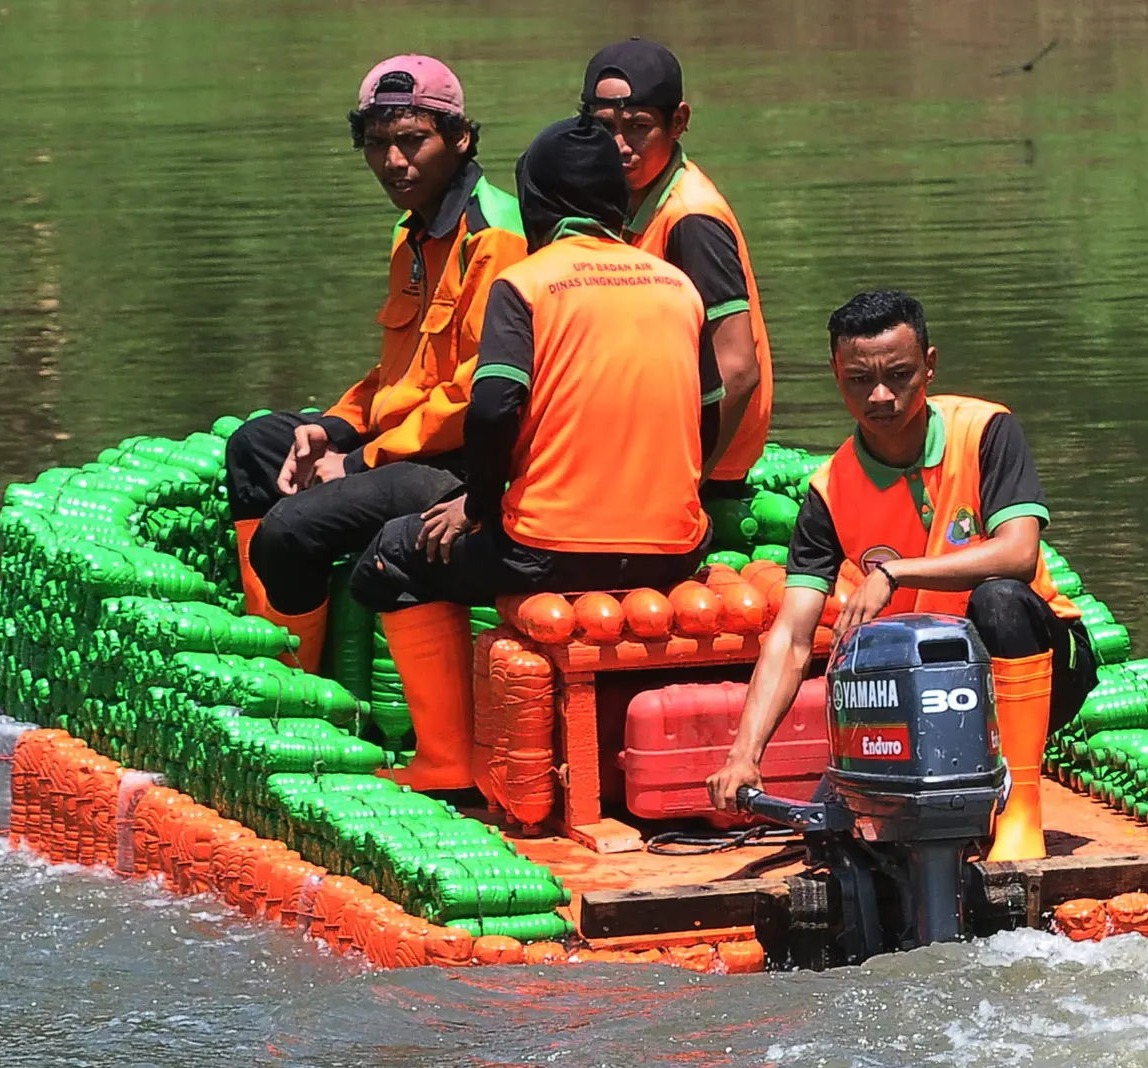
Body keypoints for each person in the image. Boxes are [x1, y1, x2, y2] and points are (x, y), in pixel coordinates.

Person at [331, 115, 717, 790]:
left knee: (392, 558)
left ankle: (445, 762)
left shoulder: (527, 283)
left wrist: (478, 504)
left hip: (550, 550)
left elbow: (491, 409)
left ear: (535, 203)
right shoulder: (678, 286)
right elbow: (710, 409)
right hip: (676, 548)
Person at [705, 289, 1097, 861]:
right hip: (922, 680)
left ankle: (1019, 811)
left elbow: (1018, 553)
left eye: (899, 375)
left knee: (1000, 600)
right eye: (860, 379)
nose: (881, 396)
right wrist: (745, 753)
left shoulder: (985, 431)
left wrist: (895, 572)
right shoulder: (829, 490)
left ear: (929, 366)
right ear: (836, 375)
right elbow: (791, 636)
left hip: (1031, 662)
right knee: (834, 844)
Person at [224, 55, 526, 669]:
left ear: (460, 138)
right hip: (407, 441)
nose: (393, 161)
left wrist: (358, 461)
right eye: (376, 143)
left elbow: (476, 397)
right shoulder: (411, 233)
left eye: (412, 140)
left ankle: (294, 685)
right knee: (255, 447)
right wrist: (333, 429)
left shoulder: (494, 238)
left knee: (289, 531)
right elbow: (398, 373)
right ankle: (269, 648)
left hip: (464, 465)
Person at [580, 38, 772, 487]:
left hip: (697, 461)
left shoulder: (691, 219)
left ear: (678, 122)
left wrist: (685, 479)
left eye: (638, 127)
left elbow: (738, 369)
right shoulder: (624, 199)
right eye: (604, 127)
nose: (619, 146)